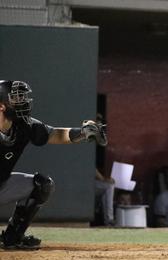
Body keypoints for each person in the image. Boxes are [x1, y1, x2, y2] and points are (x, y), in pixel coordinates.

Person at [0, 80, 107, 250]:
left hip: (2, 184)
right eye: (16, 98)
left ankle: (13, 237)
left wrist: (83, 132)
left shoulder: (25, 125)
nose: (24, 101)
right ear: (2, 106)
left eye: (23, 97)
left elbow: (55, 134)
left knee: (42, 185)